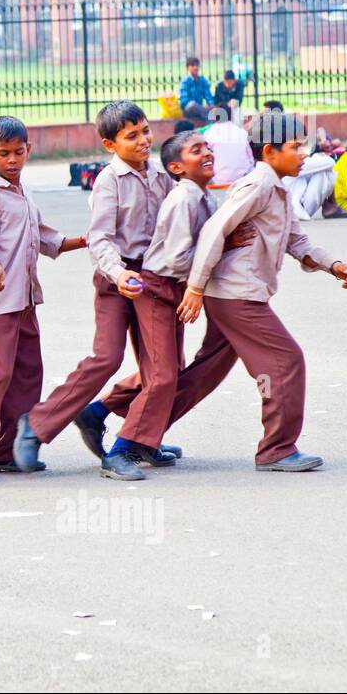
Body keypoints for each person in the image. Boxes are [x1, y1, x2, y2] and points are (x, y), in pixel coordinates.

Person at [180, 111, 347, 471]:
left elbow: (295, 239)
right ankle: (276, 449)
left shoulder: (277, 186)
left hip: (236, 292)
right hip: (236, 294)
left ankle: (133, 430)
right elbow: (216, 230)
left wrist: (331, 264)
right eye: (295, 147)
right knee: (285, 361)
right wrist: (195, 288)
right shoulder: (258, 186)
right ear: (269, 152)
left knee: (206, 371)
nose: (303, 154)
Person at [14, 101, 174, 480]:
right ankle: (36, 425)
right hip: (114, 278)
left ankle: (127, 432)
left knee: (164, 367)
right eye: (131, 136)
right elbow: (100, 238)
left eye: (145, 131)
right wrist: (118, 274)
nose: (143, 141)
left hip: (151, 278)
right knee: (106, 357)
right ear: (109, 144)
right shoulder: (108, 182)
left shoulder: (162, 175)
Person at [0, 116, 84, 484]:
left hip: (25, 298)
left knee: (26, 375)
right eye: (3, 153)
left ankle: (2, 452)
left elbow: (46, 237)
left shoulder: (23, 189)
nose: (11, 160)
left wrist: (86, 240)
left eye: (18, 153)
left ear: (29, 150)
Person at [93, 130, 218, 478]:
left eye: (208, 148)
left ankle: (101, 416)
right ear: (177, 167)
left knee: (168, 370)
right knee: (162, 376)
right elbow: (179, 257)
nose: (207, 154)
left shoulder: (202, 196)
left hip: (171, 287)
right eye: (197, 151)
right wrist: (213, 258)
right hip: (156, 287)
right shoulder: (183, 200)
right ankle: (122, 451)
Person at [202, 105, 254, 206]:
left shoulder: (209, 133)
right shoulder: (242, 133)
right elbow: (250, 161)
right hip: (243, 182)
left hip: (218, 184)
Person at [286, 142, 337, 221]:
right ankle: (331, 205)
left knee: (322, 168)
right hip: (298, 209)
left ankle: (330, 205)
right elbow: (330, 162)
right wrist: (318, 156)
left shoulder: (299, 161)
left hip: (300, 207)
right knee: (324, 171)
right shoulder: (292, 161)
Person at [179, 56, 213, 122]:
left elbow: (208, 95)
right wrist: (198, 106)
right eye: (192, 65)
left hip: (200, 109)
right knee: (192, 104)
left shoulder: (203, 80)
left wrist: (211, 104)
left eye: (197, 65)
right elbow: (184, 101)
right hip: (188, 109)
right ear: (188, 68)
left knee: (211, 109)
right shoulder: (185, 82)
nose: (195, 67)